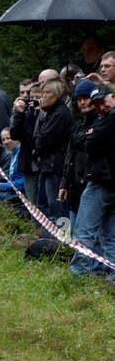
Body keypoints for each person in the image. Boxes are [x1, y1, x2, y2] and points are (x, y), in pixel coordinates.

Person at [69, 84, 115, 279]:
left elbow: (89, 142)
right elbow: (81, 141)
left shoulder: (109, 120)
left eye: (103, 103)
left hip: (101, 182)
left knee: (84, 232)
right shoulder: (103, 119)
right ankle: (111, 277)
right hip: (107, 181)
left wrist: (93, 134)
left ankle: (78, 275)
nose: (100, 108)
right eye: (96, 105)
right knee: (111, 236)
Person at [29, 71, 73, 232]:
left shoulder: (61, 114)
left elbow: (43, 140)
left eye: (47, 93)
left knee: (57, 207)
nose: (43, 96)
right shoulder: (48, 113)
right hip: (46, 165)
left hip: (55, 166)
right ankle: (45, 240)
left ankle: (63, 240)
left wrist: (39, 146)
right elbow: (36, 139)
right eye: (43, 92)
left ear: (57, 94)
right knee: (43, 206)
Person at [59, 82, 99, 216]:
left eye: (86, 98)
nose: (82, 102)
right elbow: (70, 155)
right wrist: (64, 183)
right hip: (74, 183)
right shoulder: (77, 125)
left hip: (92, 181)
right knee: (75, 229)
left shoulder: (102, 122)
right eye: (79, 99)